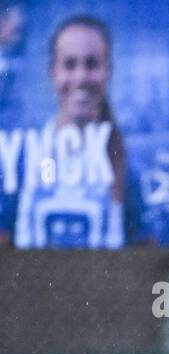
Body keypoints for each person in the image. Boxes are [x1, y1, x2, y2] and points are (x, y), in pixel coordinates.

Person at [0, 14, 133, 248]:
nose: (81, 77)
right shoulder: (21, 160)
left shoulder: (126, 166)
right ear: (53, 71)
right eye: (69, 64)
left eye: (92, 64)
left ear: (108, 70)